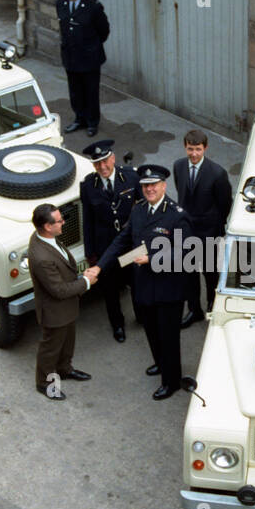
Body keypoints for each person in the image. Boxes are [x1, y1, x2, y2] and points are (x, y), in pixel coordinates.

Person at [92, 164, 192, 399]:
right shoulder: (138, 211)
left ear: (164, 186)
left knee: (168, 337)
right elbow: (122, 241)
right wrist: (100, 265)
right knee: (151, 331)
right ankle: (160, 363)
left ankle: (172, 381)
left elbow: (186, 253)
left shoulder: (177, 215)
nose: (149, 189)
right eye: (145, 186)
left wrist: (152, 258)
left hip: (169, 288)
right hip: (144, 284)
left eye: (153, 185)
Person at [26, 202, 96, 400]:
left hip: (67, 307)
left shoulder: (46, 239)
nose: (63, 223)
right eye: (59, 221)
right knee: (50, 349)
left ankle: (64, 369)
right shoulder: (41, 256)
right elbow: (57, 290)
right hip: (55, 311)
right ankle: (45, 384)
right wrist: (86, 282)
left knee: (67, 342)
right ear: (47, 226)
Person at [80, 139, 141, 342]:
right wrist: (91, 253)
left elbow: (142, 209)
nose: (103, 167)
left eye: (106, 161)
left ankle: (142, 316)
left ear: (113, 158)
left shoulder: (131, 177)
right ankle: (117, 325)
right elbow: (88, 221)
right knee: (110, 289)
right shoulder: (89, 185)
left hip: (130, 245)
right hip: (105, 248)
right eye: (97, 163)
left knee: (137, 281)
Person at [173, 129, 233, 327]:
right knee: (189, 274)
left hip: (209, 233)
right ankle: (194, 310)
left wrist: (216, 228)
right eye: (190, 149)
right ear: (185, 147)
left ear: (205, 148)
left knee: (210, 273)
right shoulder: (179, 166)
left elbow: (225, 204)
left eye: (198, 149)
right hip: (186, 231)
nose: (194, 154)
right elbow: (182, 194)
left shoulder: (217, 173)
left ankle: (212, 306)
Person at [55, 0, 110, 137]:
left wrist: (91, 46)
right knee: (75, 91)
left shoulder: (93, 7)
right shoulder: (61, 3)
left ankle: (92, 122)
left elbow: (104, 31)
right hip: (70, 56)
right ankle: (79, 118)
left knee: (91, 91)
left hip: (89, 58)